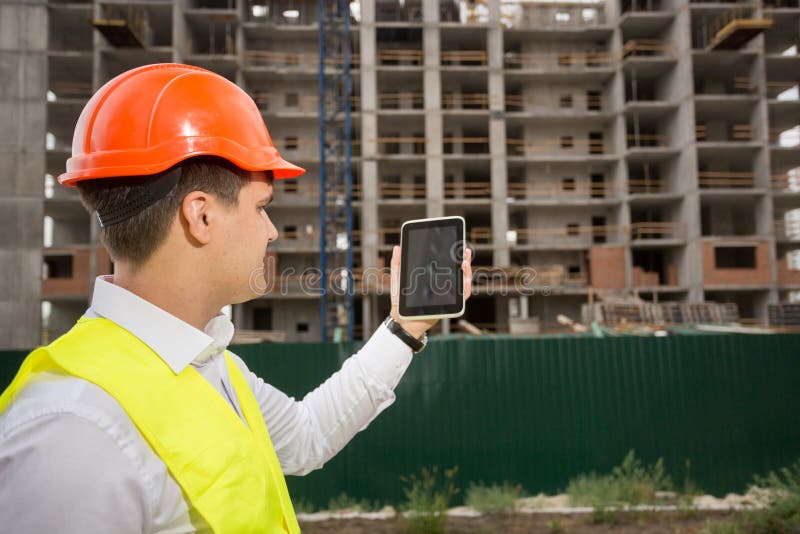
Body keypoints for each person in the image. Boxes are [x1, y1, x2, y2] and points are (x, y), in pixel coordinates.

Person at [0, 63, 472, 533]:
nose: (271, 231)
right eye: (262, 207)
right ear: (201, 216)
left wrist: (405, 327)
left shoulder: (210, 366)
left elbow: (307, 436)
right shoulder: (71, 431)